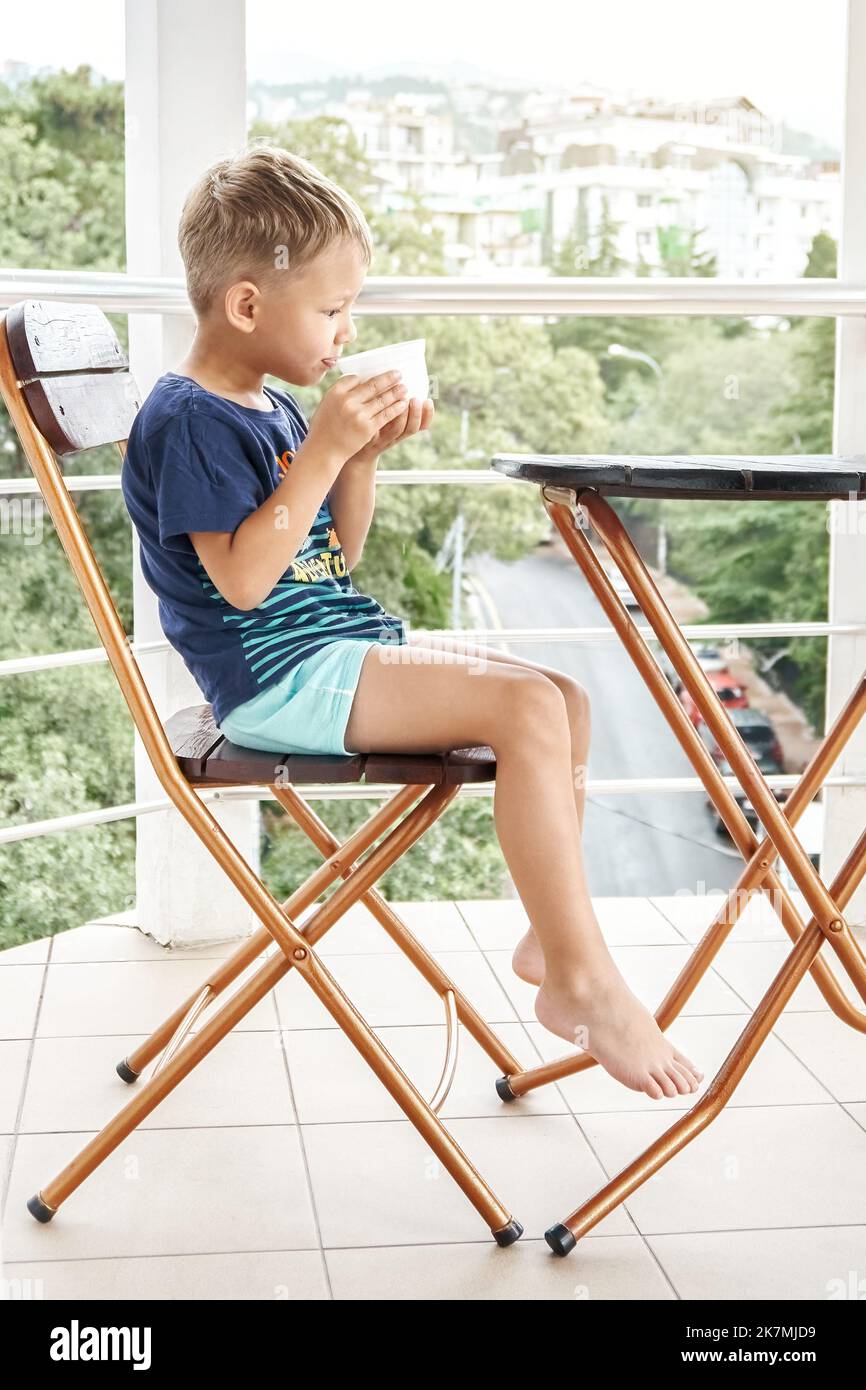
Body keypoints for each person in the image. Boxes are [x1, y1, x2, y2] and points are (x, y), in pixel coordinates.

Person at [122, 141, 702, 1101]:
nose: (346, 334)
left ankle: (550, 948)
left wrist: (358, 457)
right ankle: (591, 983)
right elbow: (243, 586)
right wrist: (323, 446)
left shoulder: (269, 404)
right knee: (523, 711)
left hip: (329, 649)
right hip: (274, 681)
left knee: (562, 697)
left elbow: (331, 559)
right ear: (246, 305)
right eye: (334, 309)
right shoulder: (192, 417)